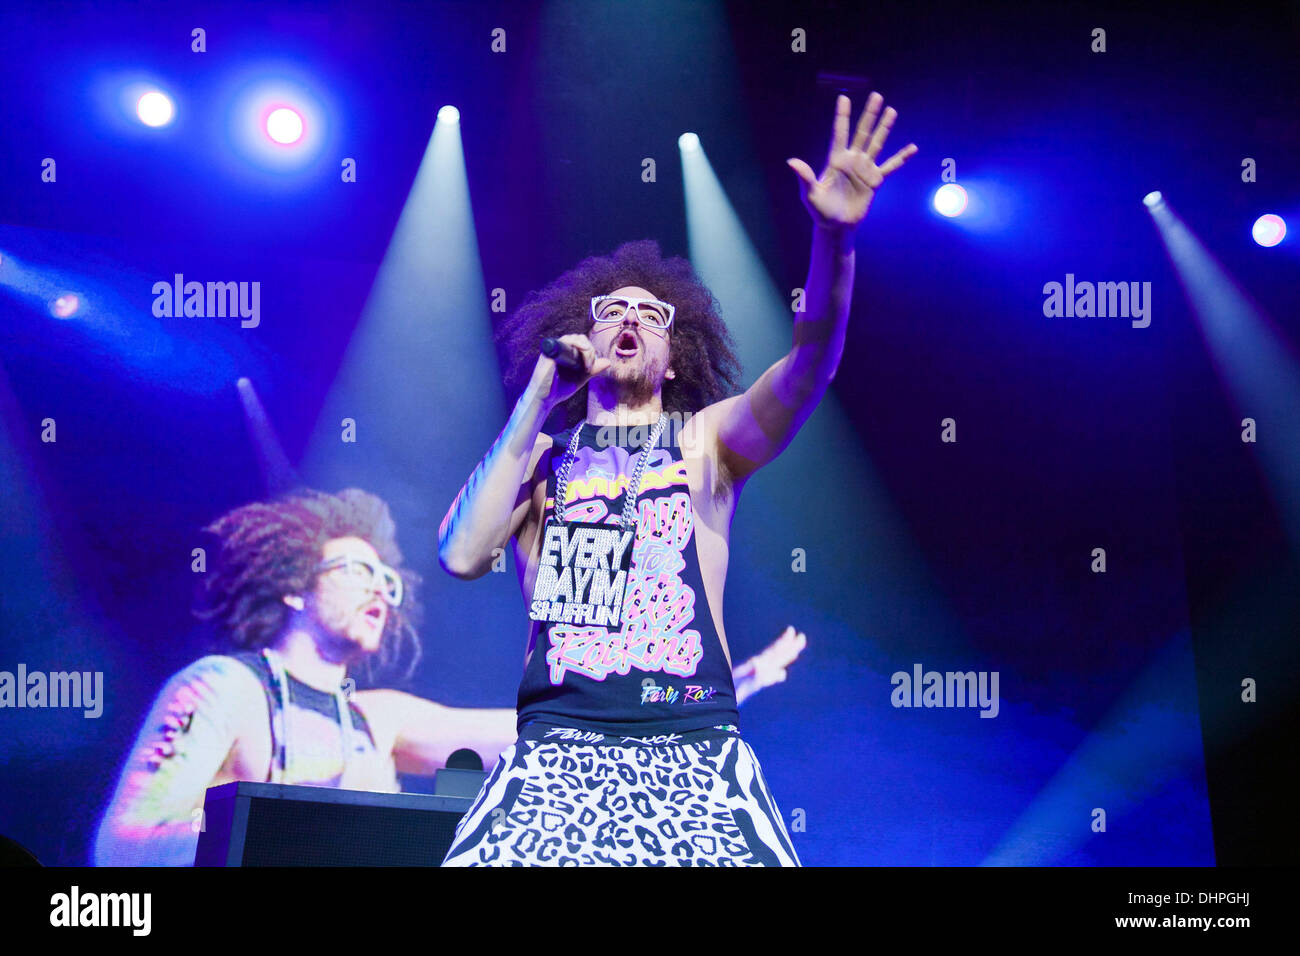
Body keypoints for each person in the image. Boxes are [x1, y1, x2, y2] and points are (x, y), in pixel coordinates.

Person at [437, 93, 916, 866]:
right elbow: (460, 556)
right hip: (557, 749)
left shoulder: (706, 443)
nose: (629, 316)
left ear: (676, 352)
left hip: (694, 747)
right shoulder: (538, 462)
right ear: (585, 334)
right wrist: (537, 397)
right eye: (611, 309)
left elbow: (809, 365)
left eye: (652, 314)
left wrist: (834, 240)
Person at [93, 488, 805, 866]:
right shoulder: (222, 688)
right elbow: (123, 847)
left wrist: (721, 688)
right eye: (356, 572)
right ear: (291, 586)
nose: (380, 590)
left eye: (387, 580)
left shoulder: (381, 718)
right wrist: (277, 837)